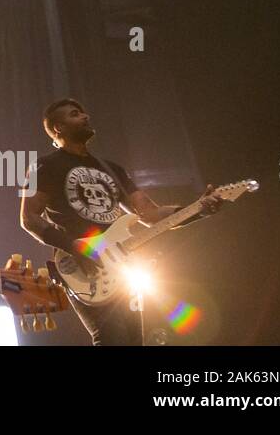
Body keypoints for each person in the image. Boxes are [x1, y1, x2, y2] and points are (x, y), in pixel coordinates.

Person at [19, 98, 223, 345]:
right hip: (84, 266)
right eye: (75, 114)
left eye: (84, 113)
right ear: (58, 127)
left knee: (134, 341)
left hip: (121, 264)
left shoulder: (113, 169)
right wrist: (76, 248)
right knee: (110, 337)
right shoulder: (41, 166)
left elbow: (150, 214)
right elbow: (28, 218)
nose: (85, 117)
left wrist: (198, 209)